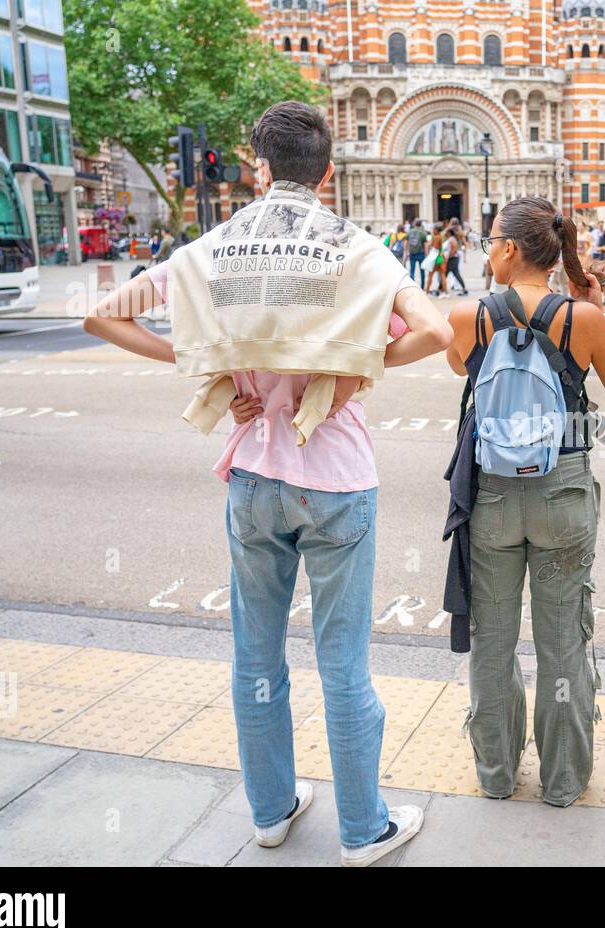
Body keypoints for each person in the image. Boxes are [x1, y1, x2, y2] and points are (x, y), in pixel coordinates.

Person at [83, 100, 454, 865]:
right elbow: (439, 329)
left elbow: (105, 317)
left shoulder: (213, 248)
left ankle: (272, 811)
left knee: (256, 656)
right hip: (336, 480)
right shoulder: (356, 249)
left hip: (252, 472)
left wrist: (205, 366)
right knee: (343, 660)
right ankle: (363, 829)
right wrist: (352, 373)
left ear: (258, 166)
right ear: (326, 172)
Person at [444, 197, 605, 807]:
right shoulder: (580, 318)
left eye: (490, 242)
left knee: (493, 638)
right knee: (562, 641)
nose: (487, 251)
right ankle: (561, 782)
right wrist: (592, 312)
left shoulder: (468, 315)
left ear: (508, 250)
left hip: (493, 497)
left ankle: (497, 774)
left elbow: (462, 370)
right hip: (562, 492)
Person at [444, 226, 468, 295]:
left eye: (446, 232)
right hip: (453, 259)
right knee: (454, 273)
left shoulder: (451, 239)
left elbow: (454, 249)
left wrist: (449, 256)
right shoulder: (451, 238)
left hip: (452, 259)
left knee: (445, 274)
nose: (445, 233)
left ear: (449, 232)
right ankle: (464, 288)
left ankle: (441, 288)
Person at [425, 228, 448, 296]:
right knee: (442, 275)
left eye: (434, 229)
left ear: (437, 230)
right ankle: (445, 291)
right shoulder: (442, 237)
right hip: (441, 258)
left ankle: (427, 291)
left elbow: (435, 248)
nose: (433, 231)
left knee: (430, 275)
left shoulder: (436, 237)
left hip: (435, 258)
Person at [407, 219, 429, 284]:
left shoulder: (410, 232)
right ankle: (422, 286)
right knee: (422, 270)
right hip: (421, 253)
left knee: (412, 270)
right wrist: (426, 254)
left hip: (412, 253)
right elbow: (426, 245)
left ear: (414, 224)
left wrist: (406, 252)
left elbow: (405, 242)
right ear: (421, 224)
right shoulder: (423, 233)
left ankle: (412, 285)